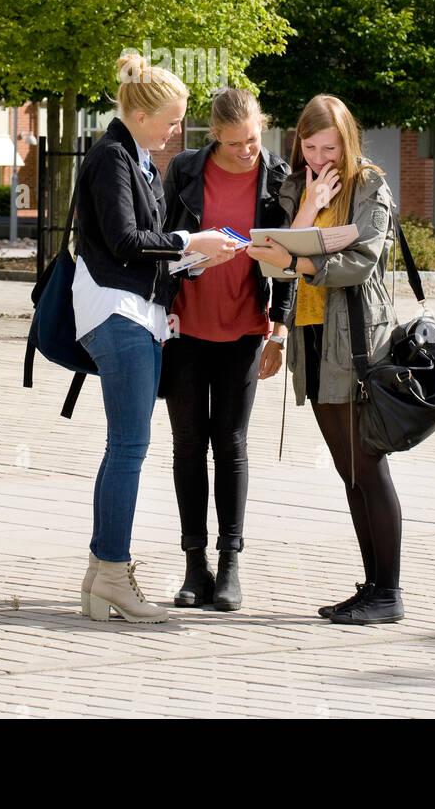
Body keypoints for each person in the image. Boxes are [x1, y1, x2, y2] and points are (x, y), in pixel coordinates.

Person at [73, 54, 242, 624]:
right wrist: (189, 239)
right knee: (128, 448)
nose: (178, 132)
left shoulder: (135, 156)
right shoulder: (112, 156)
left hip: (129, 311)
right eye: (172, 121)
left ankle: (102, 577)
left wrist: (194, 254)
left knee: (121, 447)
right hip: (117, 312)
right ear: (141, 115)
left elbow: (144, 245)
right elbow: (124, 240)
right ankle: (113, 577)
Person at [247, 93, 404, 625]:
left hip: (357, 342)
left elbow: (359, 264)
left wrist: (297, 258)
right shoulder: (298, 184)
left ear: (348, 141)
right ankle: (374, 585)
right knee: (349, 470)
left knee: (368, 466)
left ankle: (388, 593)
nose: (319, 158)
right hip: (312, 341)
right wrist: (308, 210)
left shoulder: (371, 186)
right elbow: (278, 260)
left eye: (329, 147)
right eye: (310, 147)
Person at [160, 89, 293, 611]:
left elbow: (287, 259)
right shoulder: (185, 171)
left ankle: (231, 563)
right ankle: (196, 565)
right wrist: (190, 256)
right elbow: (161, 239)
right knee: (188, 444)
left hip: (244, 328)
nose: (247, 151)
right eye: (235, 143)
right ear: (214, 136)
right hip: (185, 327)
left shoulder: (277, 177)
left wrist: (278, 332)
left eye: (254, 140)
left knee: (231, 444)